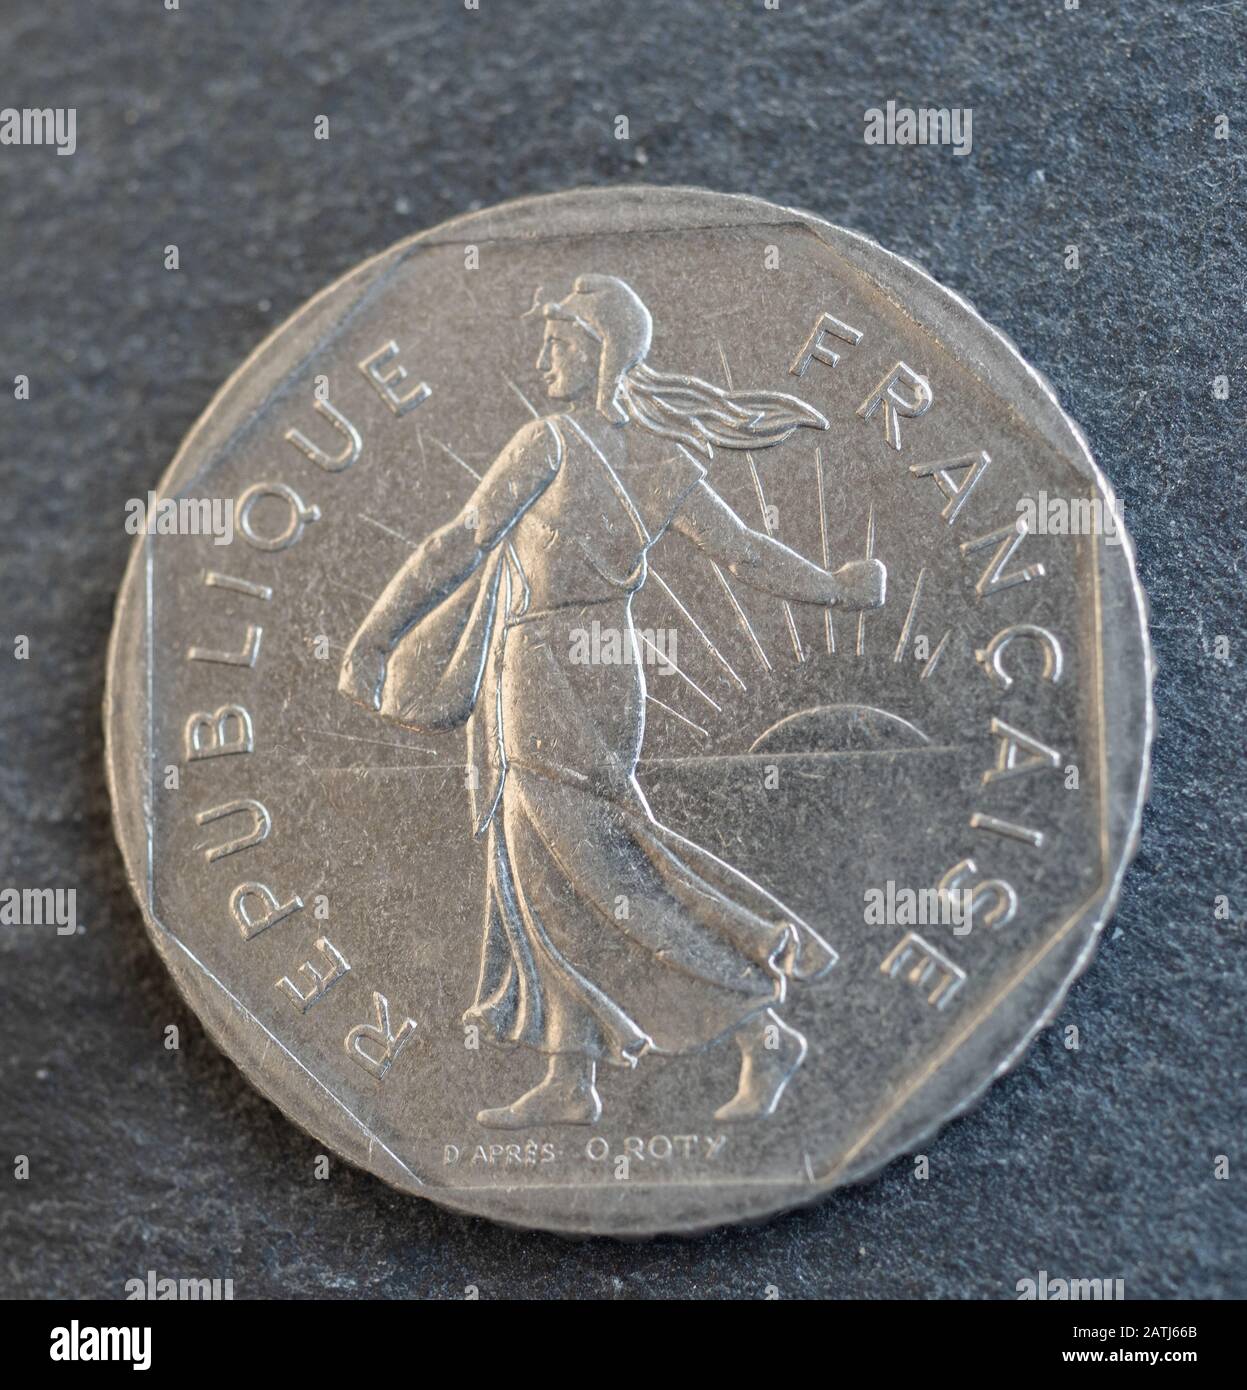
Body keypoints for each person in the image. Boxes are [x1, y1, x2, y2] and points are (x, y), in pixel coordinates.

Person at [340, 274, 884, 1127]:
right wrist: (838, 590)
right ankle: (571, 1076)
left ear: (599, 355)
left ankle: (756, 1020)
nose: (542, 358)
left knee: (588, 866)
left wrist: (376, 638)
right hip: (604, 667)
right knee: (553, 865)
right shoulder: (665, 464)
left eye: (557, 342)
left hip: (545, 667)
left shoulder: (549, 441)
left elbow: (462, 539)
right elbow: (744, 553)